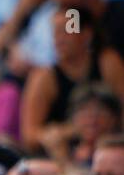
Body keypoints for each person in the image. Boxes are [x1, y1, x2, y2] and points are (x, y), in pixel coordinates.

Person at [20, 8, 124, 155]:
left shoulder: (107, 62)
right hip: (64, 154)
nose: (59, 38)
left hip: (107, 147)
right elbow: (29, 134)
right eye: (55, 32)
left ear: (87, 34)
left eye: (67, 30)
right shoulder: (44, 77)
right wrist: (70, 131)